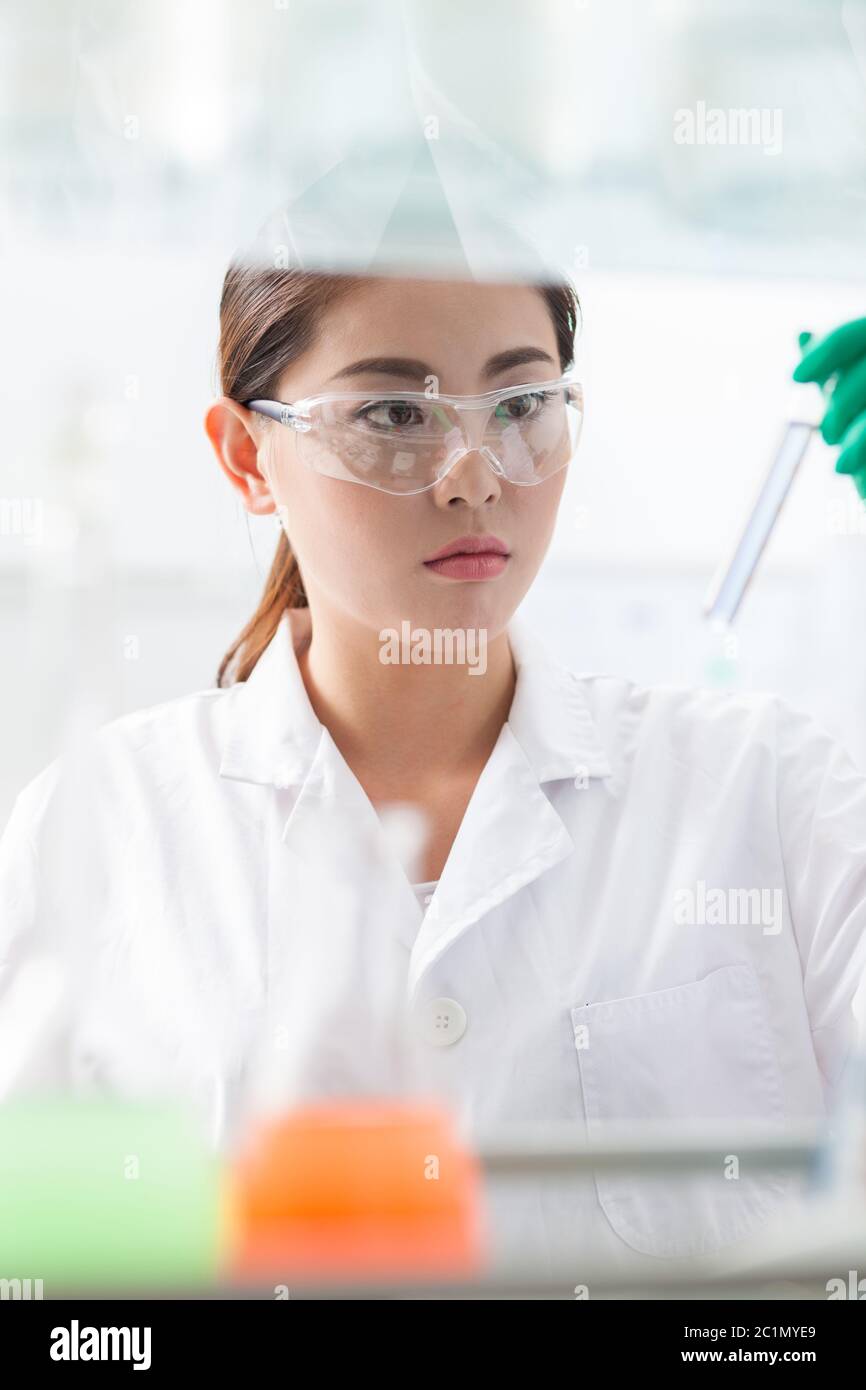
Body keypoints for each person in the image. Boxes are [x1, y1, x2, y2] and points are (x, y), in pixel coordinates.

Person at [1, 262, 865, 1274]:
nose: (474, 473)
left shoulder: (766, 789)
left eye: (520, 404)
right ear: (246, 455)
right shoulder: (107, 822)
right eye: (396, 413)